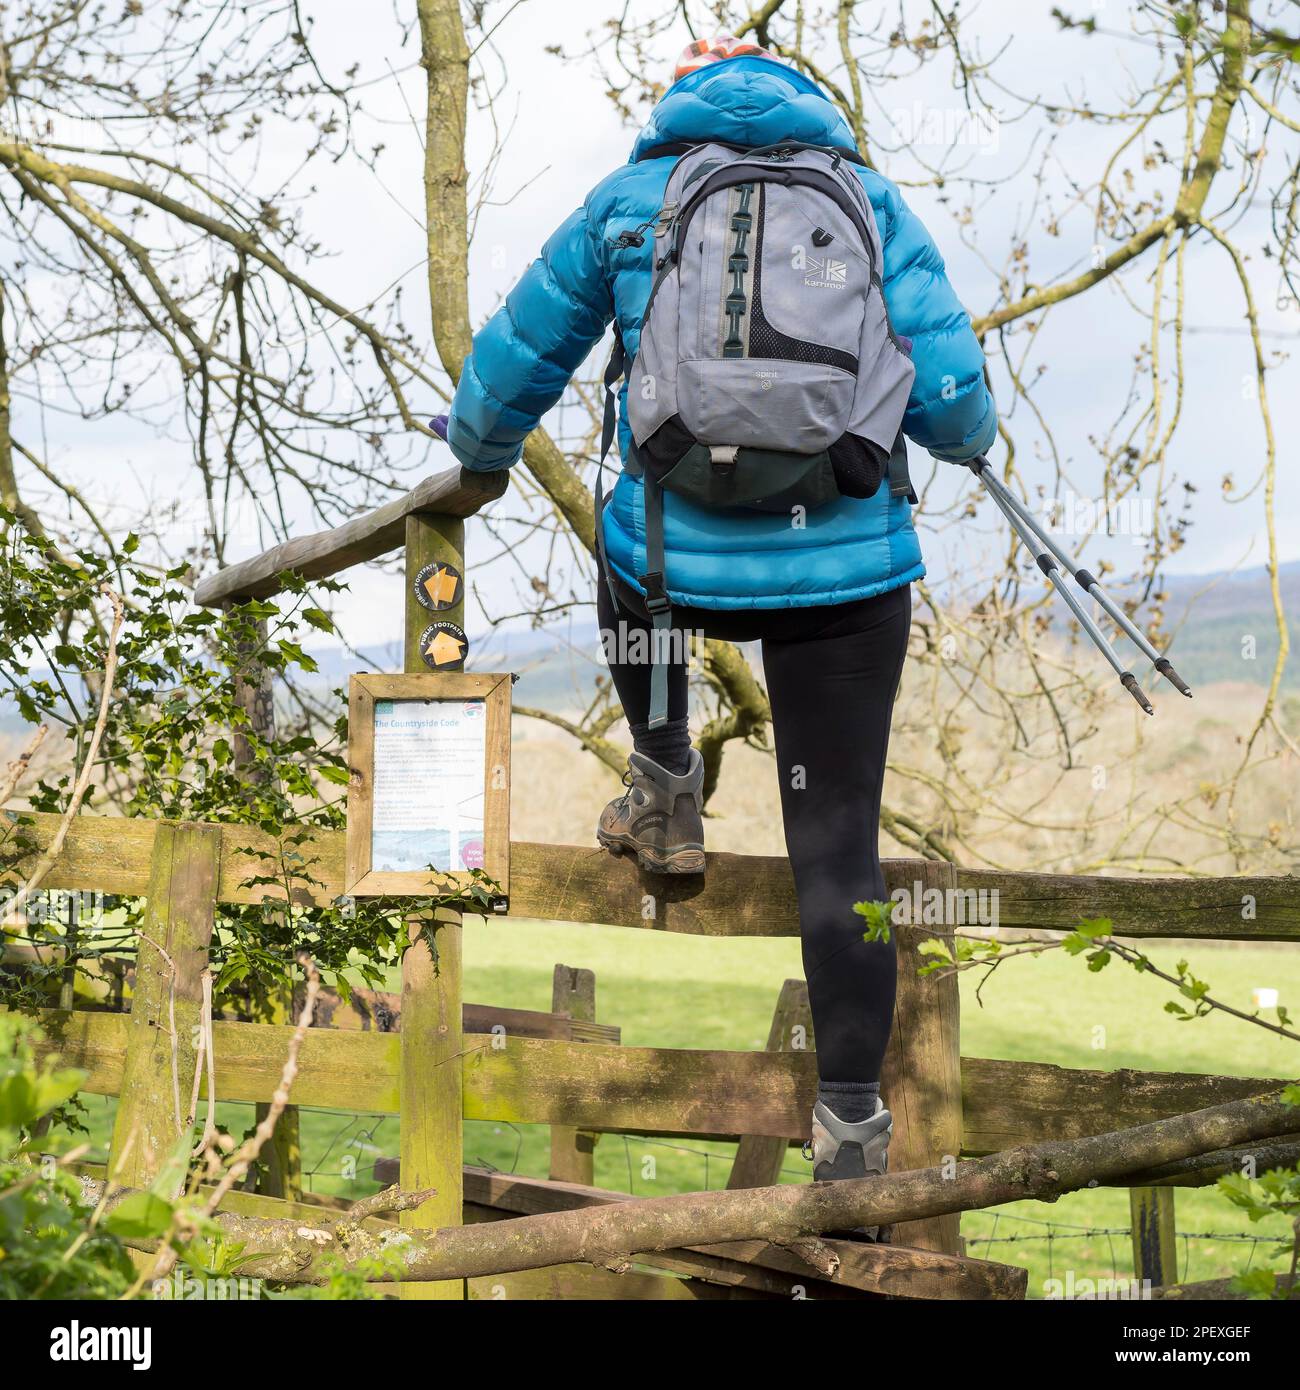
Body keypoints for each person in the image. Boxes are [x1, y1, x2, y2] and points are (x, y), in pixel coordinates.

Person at [439, 35, 996, 1232]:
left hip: (673, 570)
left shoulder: (633, 199)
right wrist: (962, 439)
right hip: (846, 580)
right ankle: (851, 1139)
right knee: (838, 851)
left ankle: (666, 773)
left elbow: (514, 362)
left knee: (618, 548)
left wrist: (478, 455)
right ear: (811, 103)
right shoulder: (865, 198)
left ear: (680, 104)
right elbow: (955, 403)